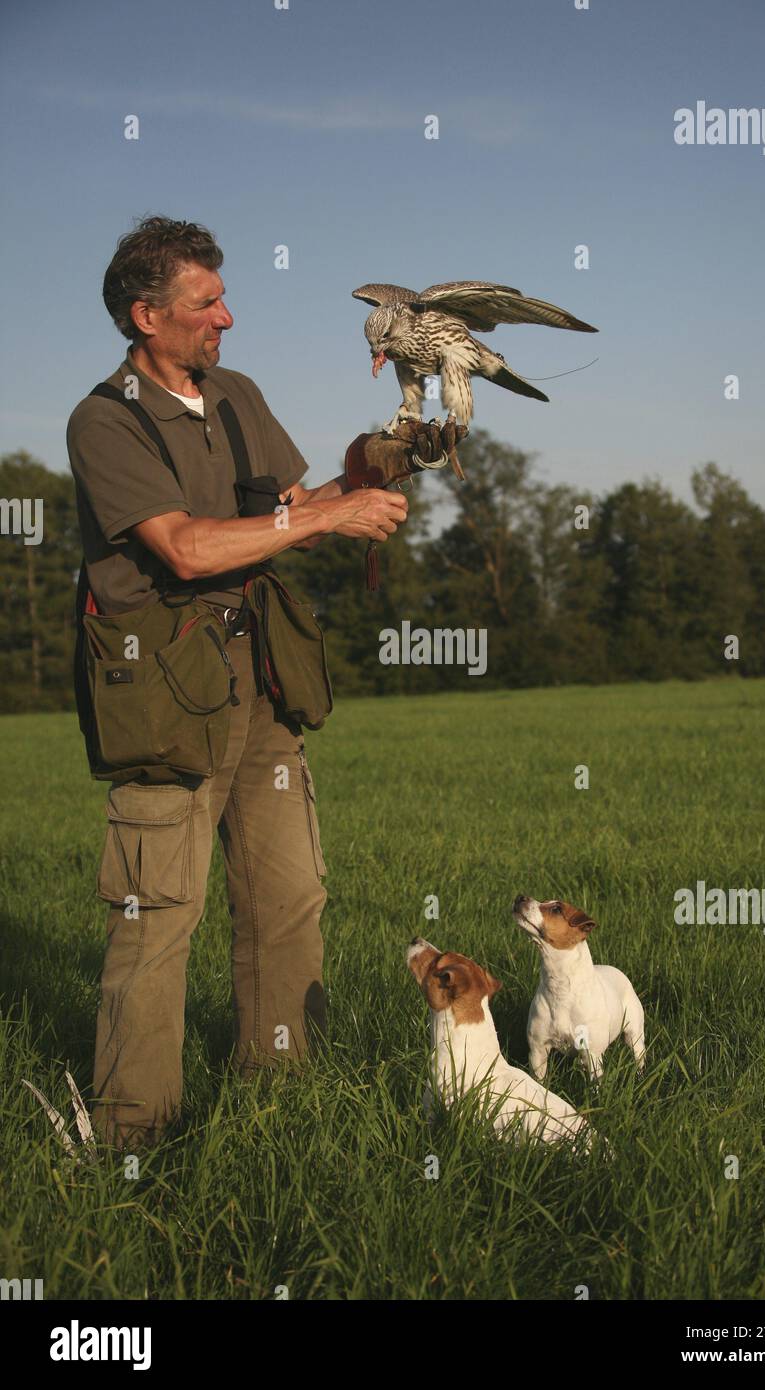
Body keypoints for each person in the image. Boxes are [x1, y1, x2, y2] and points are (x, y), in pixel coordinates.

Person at [67, 215, 408, 1150]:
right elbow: (183, 545)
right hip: (162, 695)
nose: (229, 316)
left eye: (223, 295)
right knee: (160, 913)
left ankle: (285, 1097)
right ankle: (134, 1135)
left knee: (289, 895)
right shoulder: (105, 419)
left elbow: (291, 510)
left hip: (257, 681)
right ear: (147, 316)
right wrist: (322, 525)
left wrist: (381, 468)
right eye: (207, 301)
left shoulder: (237, 395)